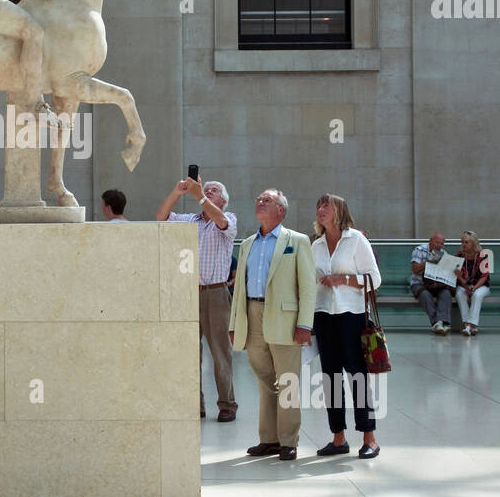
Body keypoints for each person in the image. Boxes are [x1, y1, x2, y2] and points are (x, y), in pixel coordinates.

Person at [228, 189, 315, 460]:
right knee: (265, 381)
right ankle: (269, 439)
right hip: (252, 313)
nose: (260, 202)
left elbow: (308, 286)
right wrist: (234, 324)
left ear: (281, 210)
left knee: (287, 381)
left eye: (267, 200)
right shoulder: (247, 243)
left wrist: (305, 324)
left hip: (285, 319)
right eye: (259, 199)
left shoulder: (297, 241)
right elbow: (239, 288)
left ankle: (288, 440)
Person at [157, 176, 238, 421]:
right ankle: (196, 404)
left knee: (220, 352)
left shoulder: (228, 218)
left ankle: (227, 404)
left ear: (223, 200)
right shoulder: (190, 220)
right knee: (190, 352)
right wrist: (177, 192)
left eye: (214, 191)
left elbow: (221, 221)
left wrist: (199, 194)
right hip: (190, 292)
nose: (208, 191)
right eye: (207, 189)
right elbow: (160, 218)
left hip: (216, 293)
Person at [310, 194, 383, 459]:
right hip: (324, 315)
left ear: (339, 210)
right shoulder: (316, 245)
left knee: (357, 376)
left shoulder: (356, 240)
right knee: (330, 378)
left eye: (326, 205)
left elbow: (374, 279)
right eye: (318, 206)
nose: (320, 209)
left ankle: (369, 437)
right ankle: (338, 437)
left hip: (352, 315)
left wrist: (344, 279)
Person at [410, 232, 452, 335]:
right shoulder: (419, 250)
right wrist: (429, 260)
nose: (439, 246)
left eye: (441, 244)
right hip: (419, 282)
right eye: (437, 242)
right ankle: (437, 323)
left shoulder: (443, 253)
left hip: (436, 283)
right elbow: (415, 270)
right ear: (430, 241)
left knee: (446, 294)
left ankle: (440, 322)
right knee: (425, 295)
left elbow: (446, 273)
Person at [454, 231, 492, 337]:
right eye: (462, 242)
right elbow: (458, 276)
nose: (463, 245)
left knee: (477, 294)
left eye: (466, 242)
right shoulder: (459, 255)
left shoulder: (484, 255)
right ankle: (469, 326)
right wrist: (466, 286)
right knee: (459, 294)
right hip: (464, 285)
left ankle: (469, 325)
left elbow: (484, 277)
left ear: (474, 243)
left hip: (481, 285)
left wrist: (474, 288)